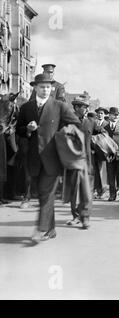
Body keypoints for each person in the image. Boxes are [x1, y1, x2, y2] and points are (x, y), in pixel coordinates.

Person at [16, 73, 81, 242]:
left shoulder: (59, 106)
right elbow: (19, 131)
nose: (45, 90)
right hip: (34, 159)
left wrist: (63, 136)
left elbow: (76, 124)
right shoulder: (26, 108)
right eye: (42, 87)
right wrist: (28, 130)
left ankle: (41, 229)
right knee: (43, 194)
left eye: (48, 87)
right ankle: (51, 229)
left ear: (52, 88)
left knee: (46, 192)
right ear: (35, 88)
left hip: (53, 158)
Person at [65, 95, 103, 229]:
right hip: (73, 161)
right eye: (83, 107)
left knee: (87, 191)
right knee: (74, 189)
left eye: (87, 107)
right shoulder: (68, 121)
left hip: (88, 161)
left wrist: (96, 145)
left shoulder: (91, 122)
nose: (86, 109)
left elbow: (101, 133)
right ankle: (76, 216)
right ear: (75, 107)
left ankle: (85, 217)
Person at [104, 107, 119, 201]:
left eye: (116, 115)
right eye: (113, 114)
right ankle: (112, 194)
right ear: (109, 115)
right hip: (109, 155)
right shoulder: (104, 128)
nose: (115, 116)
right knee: (110, 175)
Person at [92, 106, 109, 199]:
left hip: (103, 150)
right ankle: (96, 189)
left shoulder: (107, 124)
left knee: (103, 170)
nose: (99, 115)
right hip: (94, 150)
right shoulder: (93, 123)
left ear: (104, 114)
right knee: (95, 170)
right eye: (98, 113)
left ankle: (103, 190)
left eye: (101, 113)